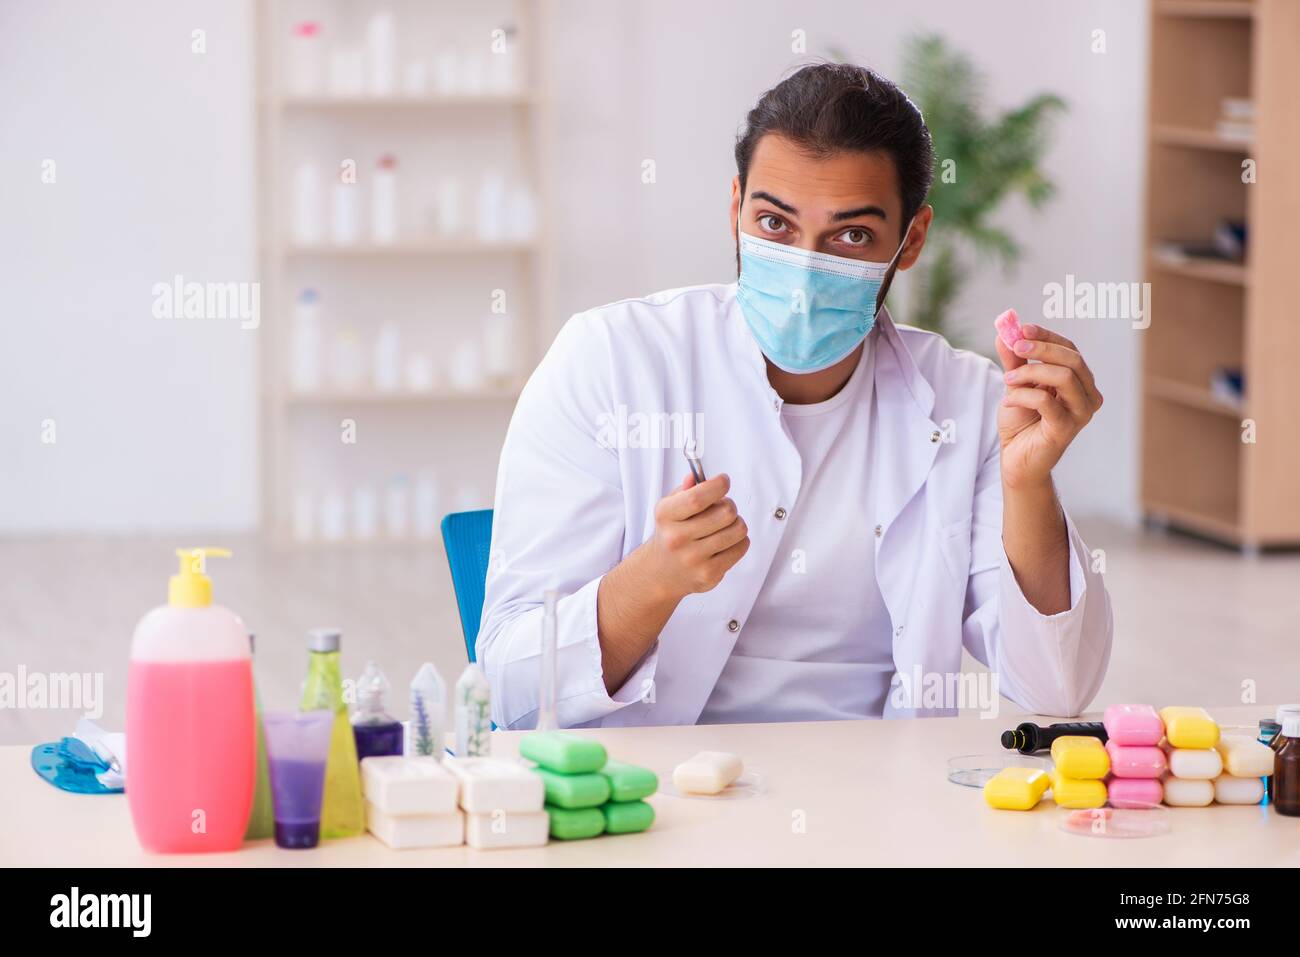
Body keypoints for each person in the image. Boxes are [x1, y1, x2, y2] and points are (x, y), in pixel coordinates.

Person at [478, 62, 1112, 729]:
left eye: (851, 235)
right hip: (660, 799)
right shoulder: (610, 361)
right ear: (735, 209)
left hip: (879, 803)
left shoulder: (968, 402)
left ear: (911, 239)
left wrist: (1029, 482)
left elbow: (1057, 686)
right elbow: (513, 689)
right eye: (776, 225)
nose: (807, 269)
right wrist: (654, 580)